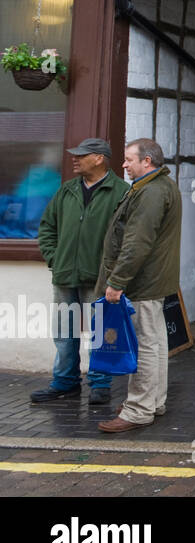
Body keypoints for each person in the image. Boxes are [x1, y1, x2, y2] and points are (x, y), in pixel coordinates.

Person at [30, 138, 129, 406]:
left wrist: (113, 273)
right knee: (64, 332)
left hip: (99, 278)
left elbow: (127, 239)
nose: (74, 159)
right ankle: (65, 382)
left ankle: (100, 384)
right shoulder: (67, 190)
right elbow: (47, 227)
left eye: (81, 155)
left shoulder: (120, 191)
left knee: (101, 334)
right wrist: (55, 258)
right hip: (64, 275)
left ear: (99, 158)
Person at [93, 138, 182, 433]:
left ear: (147, 161)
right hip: (152, 280)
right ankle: (153, 402)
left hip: (142, 282)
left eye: (129, 159)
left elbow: (136, 243)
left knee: (144, 346)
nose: (123, 165)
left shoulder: (151, 192)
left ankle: (138, 410)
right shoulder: (158, 187)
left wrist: (116, 282)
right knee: (154, 344)